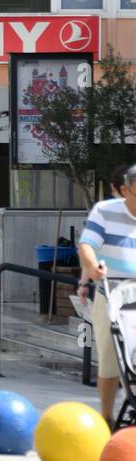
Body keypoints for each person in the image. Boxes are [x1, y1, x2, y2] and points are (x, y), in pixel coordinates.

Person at [77, 163, 136, 428]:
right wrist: (92, 267)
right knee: (112, 359)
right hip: (112, 292)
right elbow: (87, 244)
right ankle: (106, 415)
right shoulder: (105, 211)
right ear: (125, 190)